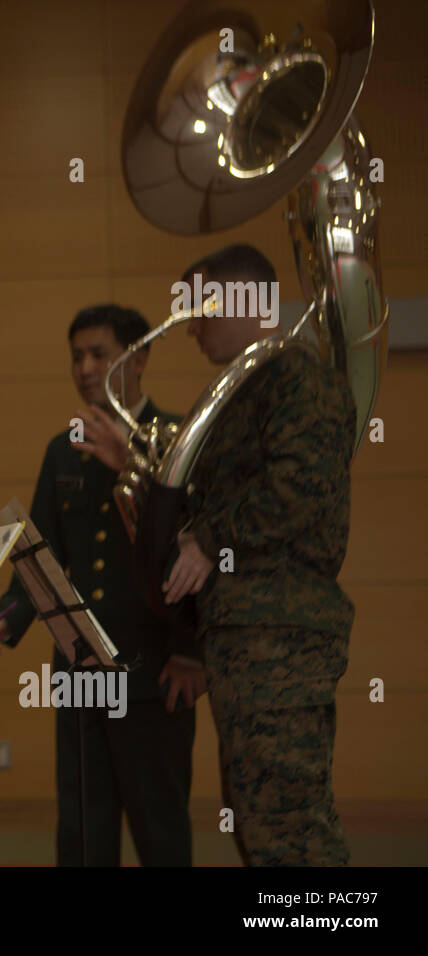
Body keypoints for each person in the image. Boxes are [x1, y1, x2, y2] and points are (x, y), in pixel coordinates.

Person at [0, 305, 198, 866]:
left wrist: (194, 656)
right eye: (77, 356)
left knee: (160, 830)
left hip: (153, 671)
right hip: (80, 670)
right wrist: (4, 620)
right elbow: (41, 557)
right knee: (81, 830)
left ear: (140, 357)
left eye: (100, 353)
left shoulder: (175, 440)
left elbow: (200, 550)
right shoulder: (62, 449)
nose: (84, 367)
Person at [164, 244, 355, 865]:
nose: (192, 325)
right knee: (261, 829)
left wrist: (207, 536)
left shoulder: (298, 375)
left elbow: (300, 485)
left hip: (281, 637)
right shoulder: (244, 389)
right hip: (248, 638)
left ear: (245, 300)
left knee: (291, 830)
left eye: (202, 308)